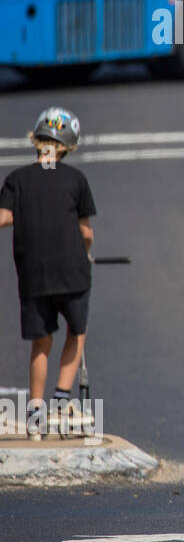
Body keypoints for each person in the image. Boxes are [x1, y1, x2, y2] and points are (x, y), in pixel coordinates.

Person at [0, 108, 95, 441]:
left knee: (41, 343)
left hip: (33, 276)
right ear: (67, 147)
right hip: (72, 273)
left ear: (36, 141)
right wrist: (85, 251)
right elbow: (86, 233)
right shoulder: (76, 180)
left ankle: (35, 417)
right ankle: (61, 401)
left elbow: (3, 217)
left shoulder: (17, 180)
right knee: (76, 331)